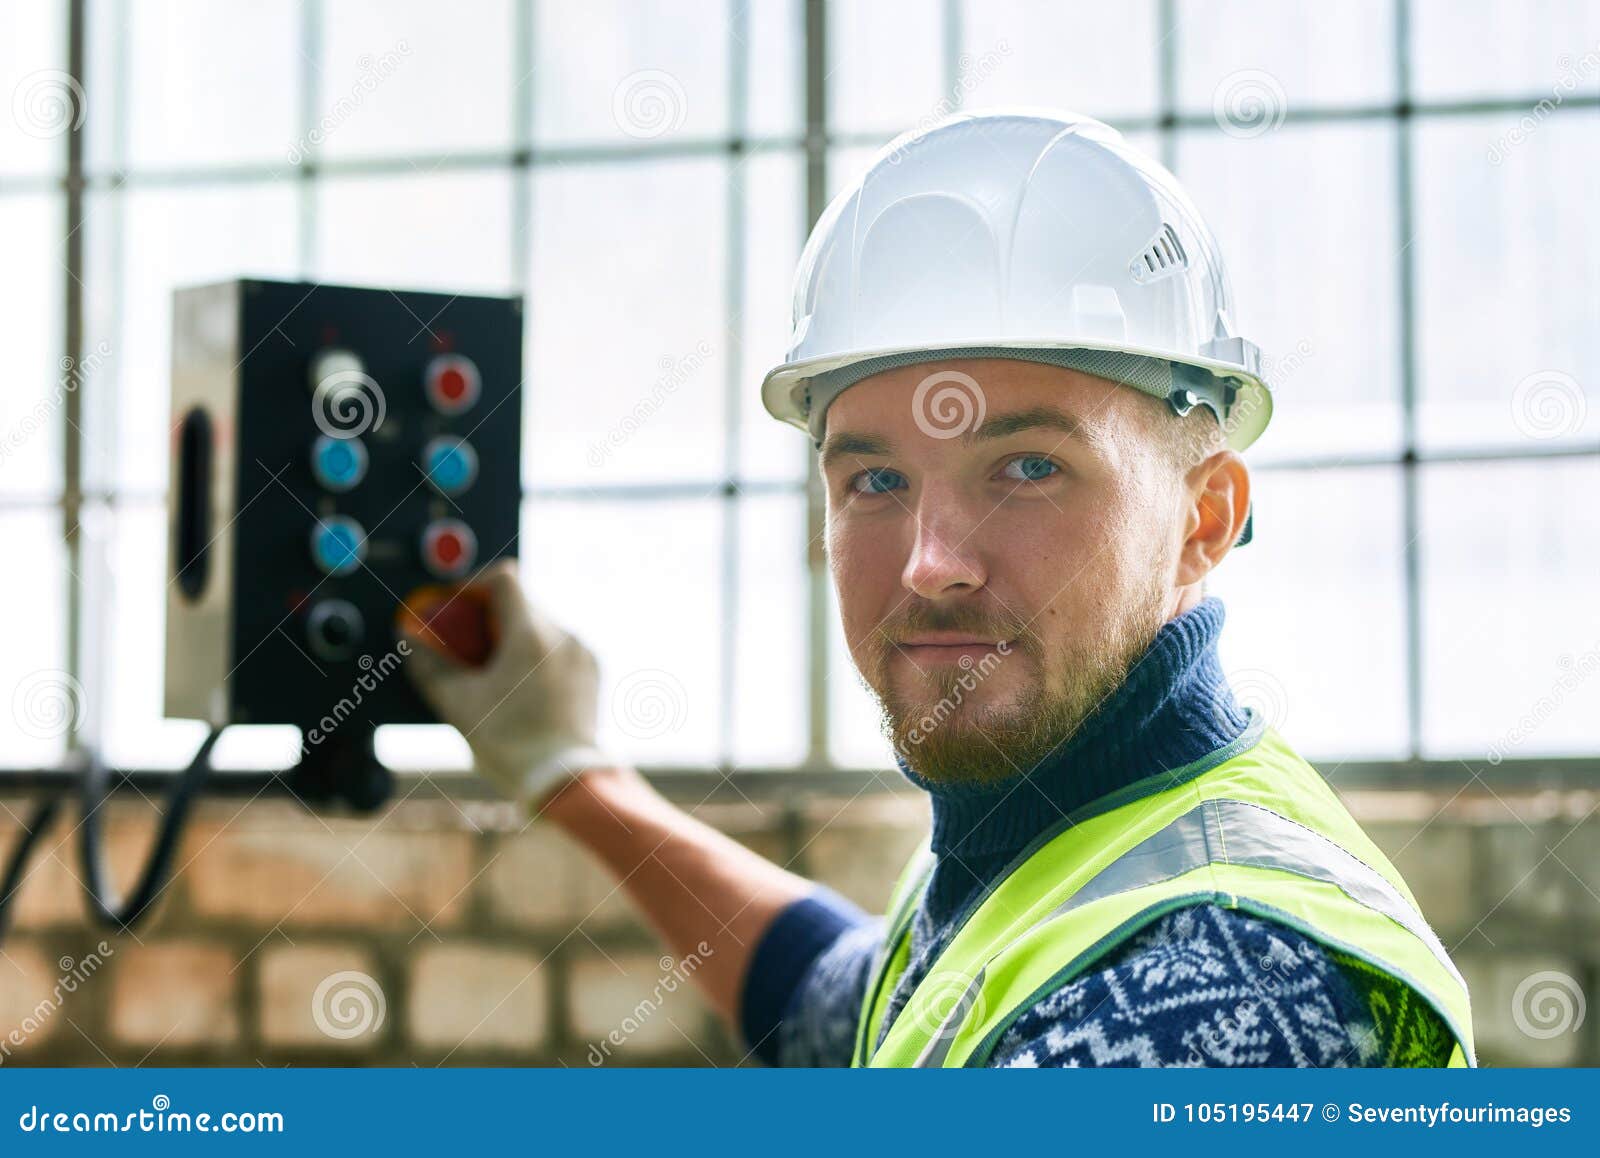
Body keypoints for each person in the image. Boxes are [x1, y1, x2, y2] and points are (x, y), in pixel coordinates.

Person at [402, 110, 1475, 1068]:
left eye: (1027, 469)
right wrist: (570, 773)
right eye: (874, 480)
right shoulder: (1050, 846)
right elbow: (834, 1001)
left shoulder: (1229, 994)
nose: (929, 562)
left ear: (1200, 519)